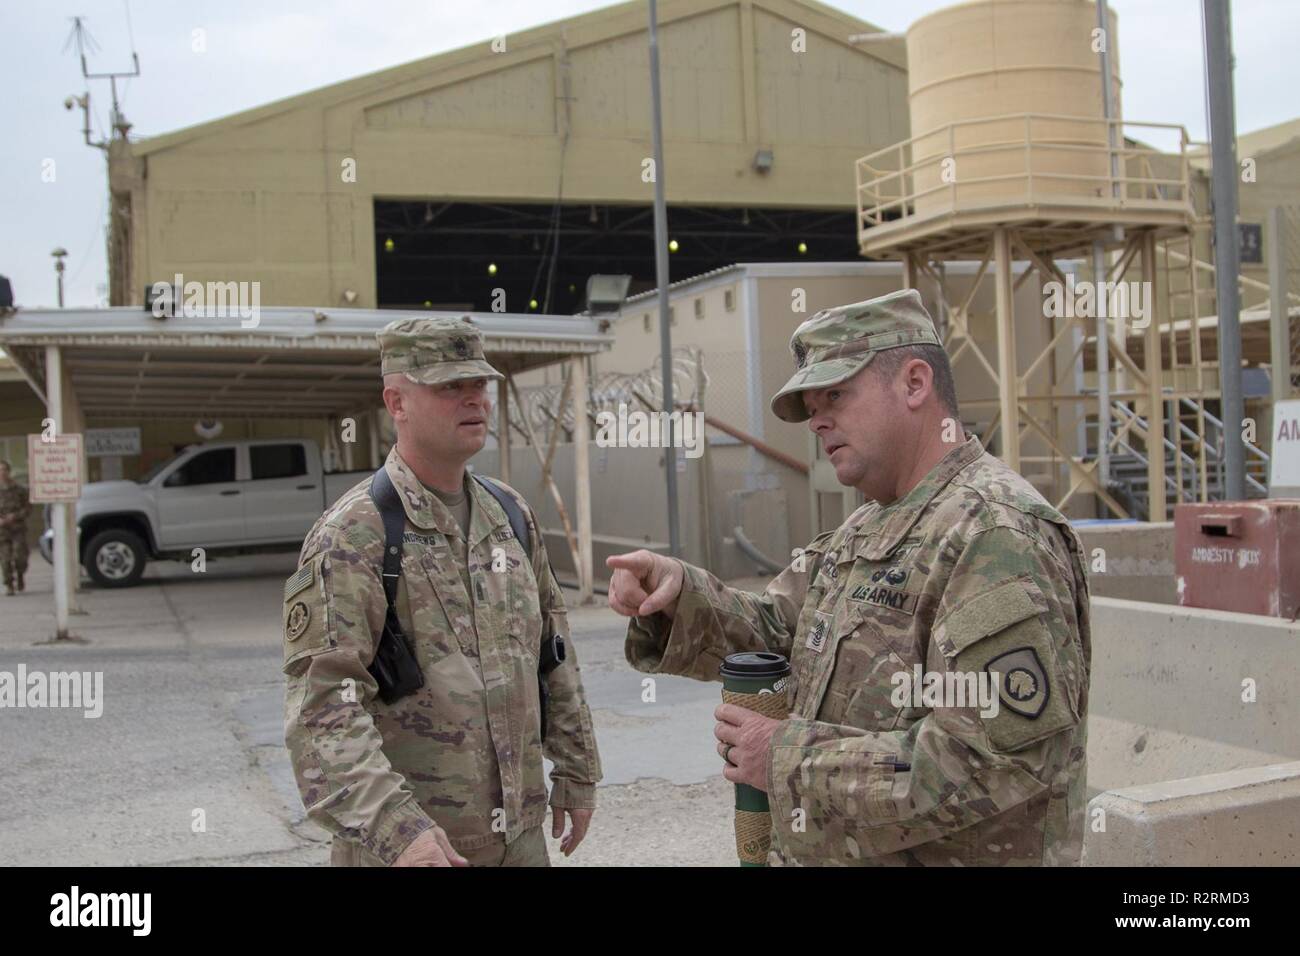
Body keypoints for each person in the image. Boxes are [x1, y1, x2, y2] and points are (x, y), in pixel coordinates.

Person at [607, 288, 1091, 866]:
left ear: (915, 384)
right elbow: (777, 630)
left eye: (835, 394)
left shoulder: (995, 533)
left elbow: (992, 759)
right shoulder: (865, 528)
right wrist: (675, 593)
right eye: (812, 406)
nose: (817, 421)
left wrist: (784, 757)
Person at [283, 316, 601, 867]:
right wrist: (399, 831)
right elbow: (324, 707)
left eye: (479, 384)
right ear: (397, 402)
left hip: (519, 840)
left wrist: (576, 769)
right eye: (450, 386)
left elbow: (553, 649)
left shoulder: (509, 514)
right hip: (417, 850)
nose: (474, 398)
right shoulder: (354, 533)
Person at [0, 460, 30, 596]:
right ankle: (9, 585)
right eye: (0, 470)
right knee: (5, 560)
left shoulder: (20, 489)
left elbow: (28, 508)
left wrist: (15, 516)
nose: (2, 473)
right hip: (2, 531)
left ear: (9, 471)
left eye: (4, 470)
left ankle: (20, 576)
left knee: (20, 557)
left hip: (18, 529)